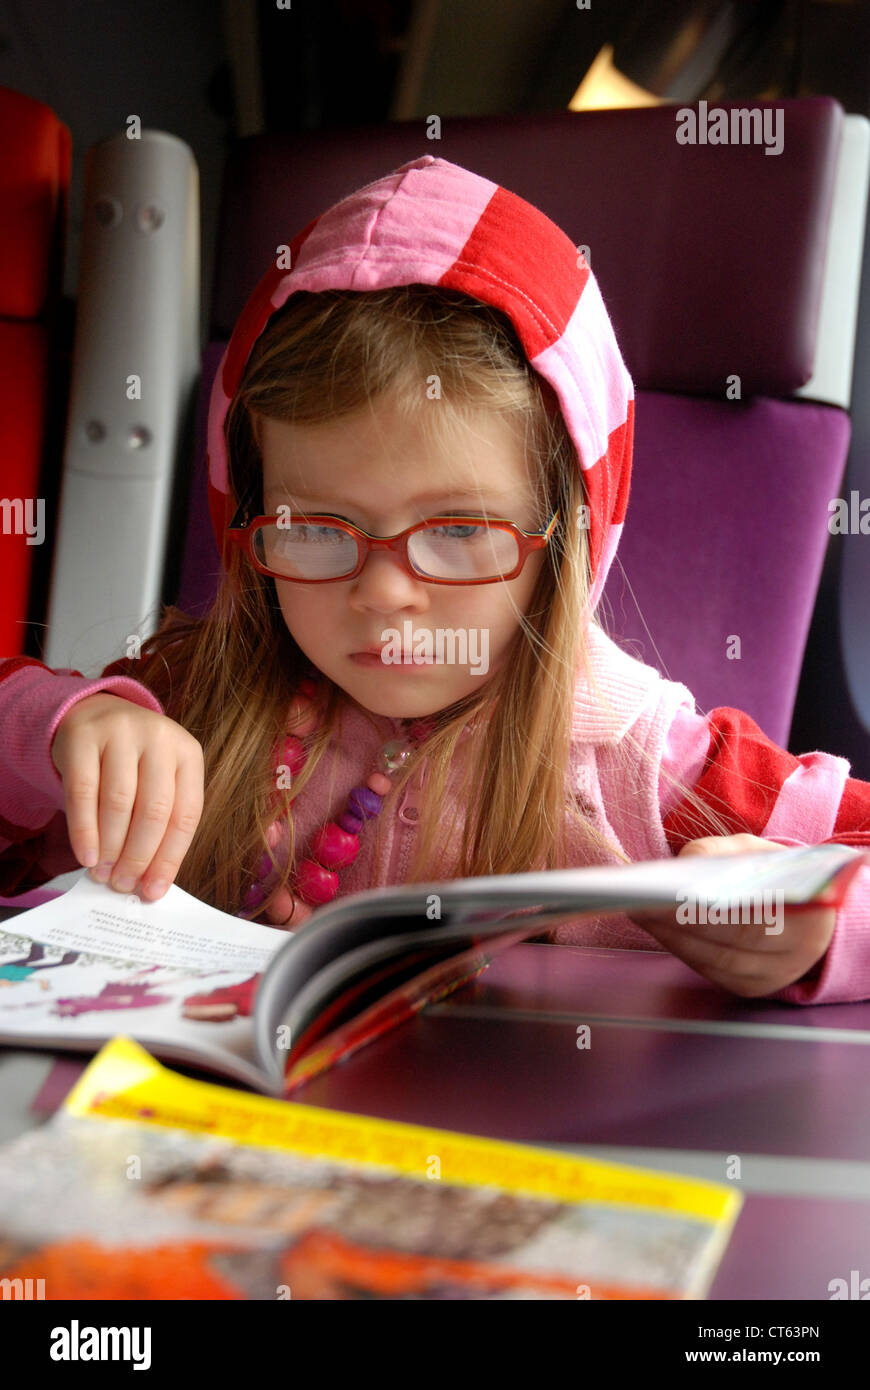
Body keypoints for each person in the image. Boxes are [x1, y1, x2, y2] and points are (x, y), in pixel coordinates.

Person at [0, 155, 868, 1005]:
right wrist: (64, 730)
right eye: (315, 528)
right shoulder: (199, 701)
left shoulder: (645, 770)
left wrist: (824, 931)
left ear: (563, 543)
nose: (384, 593)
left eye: (458, 529)